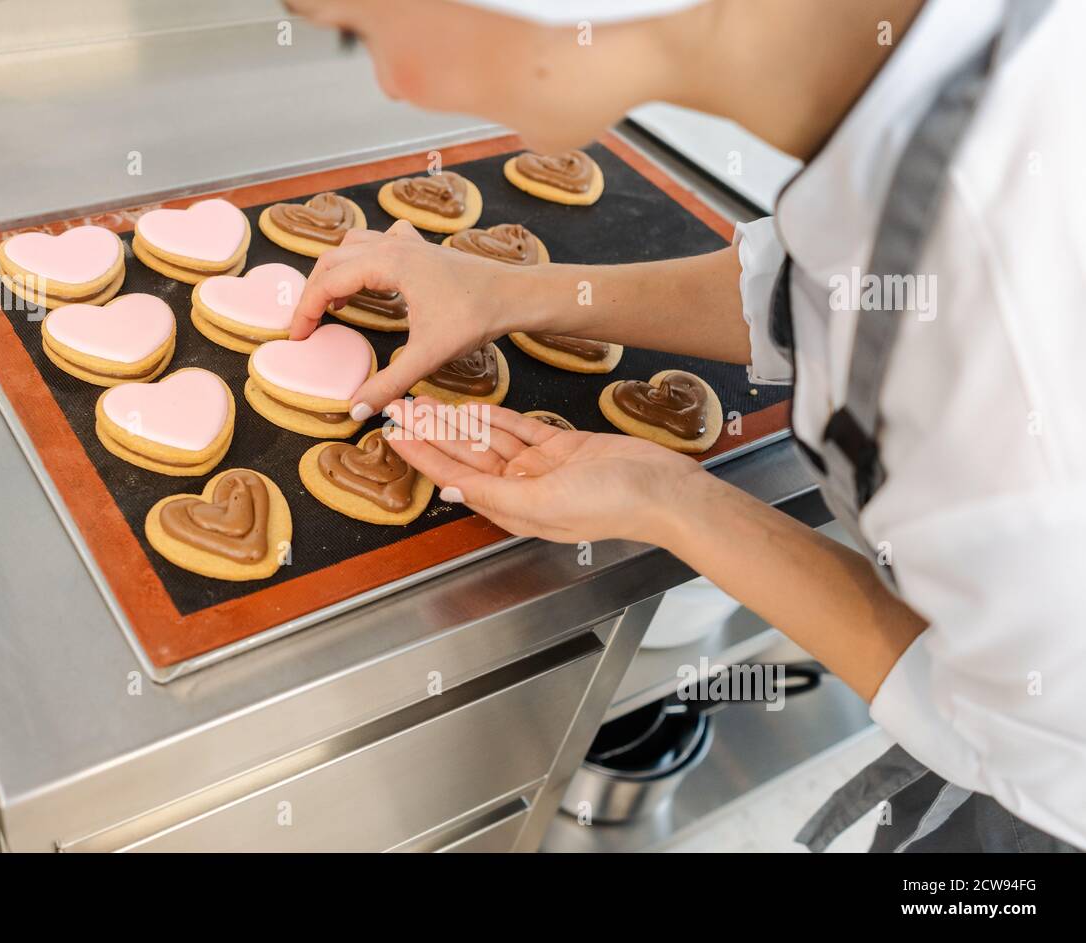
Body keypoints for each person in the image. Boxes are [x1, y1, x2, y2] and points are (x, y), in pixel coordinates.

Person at [285, 0, 1085, 851]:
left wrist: (678, 504)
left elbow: (1025, 744)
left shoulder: (1014, 356)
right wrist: (510, 293)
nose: (394, 83)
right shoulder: (938, 80)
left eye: (362, 27)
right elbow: (828, 287)